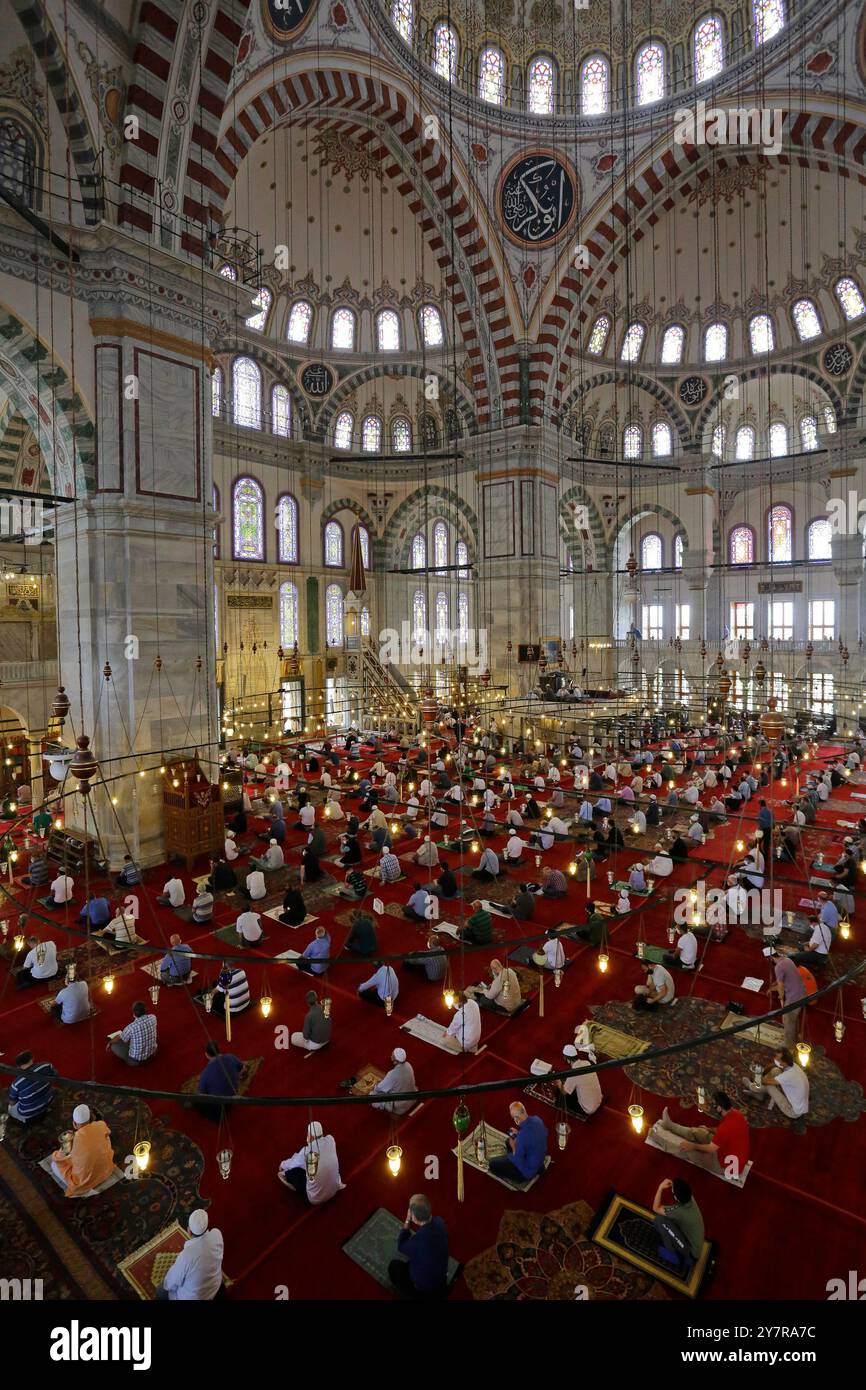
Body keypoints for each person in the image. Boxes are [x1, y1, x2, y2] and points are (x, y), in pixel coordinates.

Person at [653, 1093, 750, 1179]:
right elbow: (721, 1131)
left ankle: (655, 1136)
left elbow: (710, 1149)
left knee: (688, 1150)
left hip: (725, 1167)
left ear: (720, 1107)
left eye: (715, 1106)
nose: (713, 1108)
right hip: (727, 1150)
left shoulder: (726, 1127)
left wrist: (693, 1145)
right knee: (699, 1132)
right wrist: (708, 1129)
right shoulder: (736, 1115)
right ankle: (669, 1125)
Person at [388, 1194, 450, 1300]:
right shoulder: (440, 1222)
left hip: (424, 1290)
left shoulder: (417, 1241)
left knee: (394, 1266)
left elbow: (401, 1245)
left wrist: (407, 1220)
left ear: (415, 1218)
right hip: (441, 1281)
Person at [155, 1210, 224, 1301]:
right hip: (214, 1287)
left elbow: (171, 1282)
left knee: (160, 1290)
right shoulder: (217, 1234)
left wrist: (167, 1286)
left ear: (189, 1231)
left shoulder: (187, 1256)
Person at [50, 1104, 115, 1197]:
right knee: (106, 1137)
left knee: (54, 1165)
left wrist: (59, 1153)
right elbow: (108, 1132)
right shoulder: (100, 1124)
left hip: (83, 1184)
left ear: (74, 1124)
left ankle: (82, 1187)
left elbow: (57, 1158)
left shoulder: (71, 1140)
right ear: (90, 1118)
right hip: (106, 1171)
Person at [278, 1121, 344, 1205]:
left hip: (315, 1198)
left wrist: (282, 1164)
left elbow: (292, 1163)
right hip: (334, 1189)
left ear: (312, 1137)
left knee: (291, 1172)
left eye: (308, 1134)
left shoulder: (306, 1152)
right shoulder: (331, 1140)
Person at [652, 1177, 704, 1272]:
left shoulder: (679, 1212)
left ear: (676, 1197)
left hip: (691, 1253)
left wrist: (660, 1188)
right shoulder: (690, 1198)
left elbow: (656, 1208)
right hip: (694, 1242)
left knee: (659, 1220)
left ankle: (677, 1258)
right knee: (666, 1220)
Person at [488, 1102, 548, 1183]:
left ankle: (519, 1178)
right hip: (538, 1160)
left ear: (516, 1118)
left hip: (527, 1172)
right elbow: (538, 1136)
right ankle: (539, 1167)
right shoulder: (538, 1120)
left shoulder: (522, 1138)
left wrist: (513, 1147)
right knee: (508, 1141)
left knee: (492, 1163)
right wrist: (518, 1134)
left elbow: (517, 1159)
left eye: (513, 1118)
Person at [744, 1048, 810, 1118]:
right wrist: (765, 1070)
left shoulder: (787, 1075)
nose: (774, 1058)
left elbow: (763, 1081)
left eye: (777, 1058)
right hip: (797, 1102)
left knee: (768, 1085)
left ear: (783, 1062)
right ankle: (759, 1094)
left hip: (793, 1111)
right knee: (775, 1070)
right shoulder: (792, 1065)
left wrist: (756, 1071)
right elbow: (774, 1066)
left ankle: (752, 1087)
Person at [194, 1041, 246, 1120]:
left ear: (206, 1055)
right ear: (218, 1050)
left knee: (196, 1100)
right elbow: (243, 1068)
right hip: (234, 1095)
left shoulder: (205, 1073)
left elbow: (201, 1094)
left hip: (219, 1109)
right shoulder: (230, 1057)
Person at [768, 950, 806, 1048]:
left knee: (787, 1020)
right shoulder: (787, 960)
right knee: (793, 1018)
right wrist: (774, 986)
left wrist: (781, 995)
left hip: (794, 997)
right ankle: (795, 1037)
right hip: (802, 992)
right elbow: (783, 978)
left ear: (770, 958)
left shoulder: (778, 967)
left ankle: (789, 1045)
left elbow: (781, 985)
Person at [7, 1050, 56, 1122]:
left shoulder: (16, 1084)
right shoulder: (46, 1066)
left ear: (18, 1066)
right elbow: (55, 1076)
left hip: (28, 1115)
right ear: (32, 1058)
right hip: (48, 1103)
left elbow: (12, 1103)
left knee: (10, 1107)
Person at [556, 1042, 603, 1117]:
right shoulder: (587, 1063)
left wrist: (558, 1082)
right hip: (599, 1100)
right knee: (575, 1085)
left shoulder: (573, 1072)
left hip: (588, 1109)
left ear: (567, 1059)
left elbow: (564, 1092)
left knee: (560, 1094)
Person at [370, 1047, 418, 1114]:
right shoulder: (408, 1065)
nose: (390, 1056)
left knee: (372, 1096)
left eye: (392, 1055)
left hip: (400, 1106)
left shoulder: (393, 1074)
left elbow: (380, 1088)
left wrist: (374, 1087)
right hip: (412, 1098)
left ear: (395, 1060)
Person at [110, 1000, 157, 1065]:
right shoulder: (153, 1017)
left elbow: (120, 1038)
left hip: (136, 1061)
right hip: (152, 1054)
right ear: (145, 1010)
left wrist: (110, 1042)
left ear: (134, 1013)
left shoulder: (130, 1028)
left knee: (114, 1045)